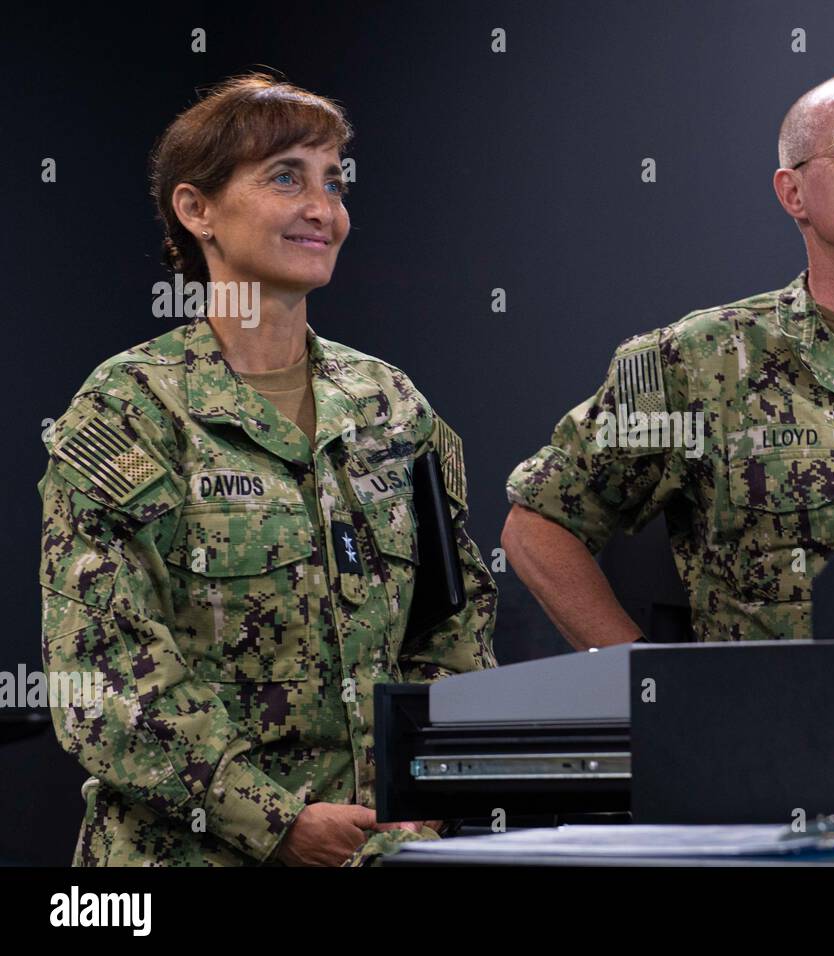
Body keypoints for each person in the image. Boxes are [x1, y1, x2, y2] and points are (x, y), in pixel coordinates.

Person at [38, 73, 497, 866]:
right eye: (287, 177)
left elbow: (453, 632)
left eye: (334, 182)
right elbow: (101, 683)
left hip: (384, 852)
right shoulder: (131, 410)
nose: (324, 209)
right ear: (197, 209)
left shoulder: (390, 405)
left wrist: (431, 798)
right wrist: (276, 821)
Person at [502, 71, 834, 646]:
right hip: (782, 728)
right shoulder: (698, 362)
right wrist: (642, 676)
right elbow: (540, 522)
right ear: (793, 192)